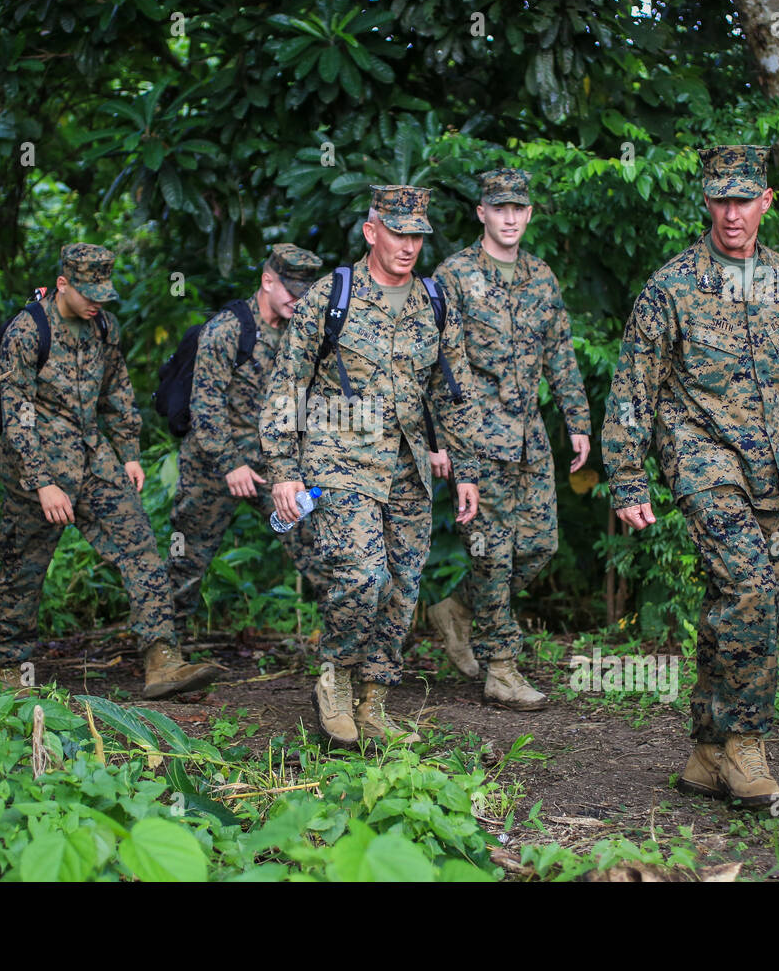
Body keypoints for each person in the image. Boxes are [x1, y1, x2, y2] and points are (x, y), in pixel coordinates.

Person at [602, 145, 779, 806]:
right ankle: (746, 744)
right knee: (747, 581)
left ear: (766, 202)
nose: (731, 213)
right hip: (700, 460)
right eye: (720, 198)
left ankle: (705, 750)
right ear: (706, 201)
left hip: (771, 469)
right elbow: (633, 388)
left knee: (745, 600)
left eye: (743, 199)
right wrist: (629, 478)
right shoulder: (672, 287)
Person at [260, 186, 484, 745]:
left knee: (403, 588)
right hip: (339, 462)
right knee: (363, 578)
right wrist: (284, 470)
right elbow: (287, 385)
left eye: (417, 235)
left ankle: (373, 703)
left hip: (408, 467)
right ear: (371, 232)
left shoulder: (434, 303)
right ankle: (334, 679)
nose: (408, 246)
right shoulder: (330, 296)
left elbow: (454, 393)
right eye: (398, 233)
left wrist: (468, 469)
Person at [0, 243, 220, 697]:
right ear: (63, 284)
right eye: (88, 291)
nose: (97, 301)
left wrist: (129, 451)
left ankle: (162, 659)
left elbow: (116, 390)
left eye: (103, 292)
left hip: (94, 458)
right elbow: (16, 414)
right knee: (23, 568)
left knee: (141, 549)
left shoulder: (104, 328)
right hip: (37, 467)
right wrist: (42, 483)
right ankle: (7, 668)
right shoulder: (27, 331)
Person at [427, 168, 591, 710]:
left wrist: (578, 420)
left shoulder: (541, 277)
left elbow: (561, 353)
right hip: (476, 436)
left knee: (539, 545)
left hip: (529, 440)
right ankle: (500, 666)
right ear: (482, 213)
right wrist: (446, 442)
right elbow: (439, 367)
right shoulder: (453, 277)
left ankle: (457, 609)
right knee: (493, 553)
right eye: (500, 209)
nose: (510, 218)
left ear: (528, 213)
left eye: (518, 209)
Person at [169, 244, 330, 637]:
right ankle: (164, 647)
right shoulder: (227, 330)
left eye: (305, 290)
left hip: (278, 464)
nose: (298, 298)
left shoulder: (303, 332)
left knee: (318, 546)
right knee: (188, 556)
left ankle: (350, 645)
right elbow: (203, 408)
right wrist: (230, 464)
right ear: (267, 280)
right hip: (215, 459)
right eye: (290, 289)